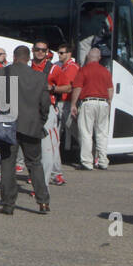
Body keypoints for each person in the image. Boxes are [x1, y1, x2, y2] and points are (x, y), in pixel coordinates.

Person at [0, 45, 52, 214]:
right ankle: (43, 201)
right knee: (35, 163)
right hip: (31, 124)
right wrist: (40, 121)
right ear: (29, 58)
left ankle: (8, 204)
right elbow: (45, 104)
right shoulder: (39, 77)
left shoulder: (3, 73)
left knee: (7, 164)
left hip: (8, 124)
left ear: (14, 57)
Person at [70, 47, 113, 170]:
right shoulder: (106, 71)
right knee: (102, 133)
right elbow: (110, 89)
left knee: (86, 133)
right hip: (103, 102)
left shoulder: (83, 70)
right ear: (99, 58)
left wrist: (73, 104)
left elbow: (77, 88)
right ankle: (103, 161)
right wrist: (109, 102)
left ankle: (87, 162)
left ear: (88, 57)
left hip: (88, 102)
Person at [46, 44, 77, 184]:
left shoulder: (71, 68)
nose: (59, 55)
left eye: (62, 53)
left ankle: (55, 172)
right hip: (60, 104)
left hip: (65, 104)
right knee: (55, 140)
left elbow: (70, 86)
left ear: (69, 53)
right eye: (58, 53)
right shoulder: (62, 67)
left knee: (73, 133)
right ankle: (53, 172)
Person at [29, 41, 57, 182]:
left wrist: (51, 88)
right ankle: (35, 179)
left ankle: (43, 183)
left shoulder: (53, 69)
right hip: (28, 109)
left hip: (46, 109)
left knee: (46, 148)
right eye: (38, 49)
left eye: (43, 50)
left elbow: (68, 87)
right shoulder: (27, 66)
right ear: (32, 50)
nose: (40, 52)